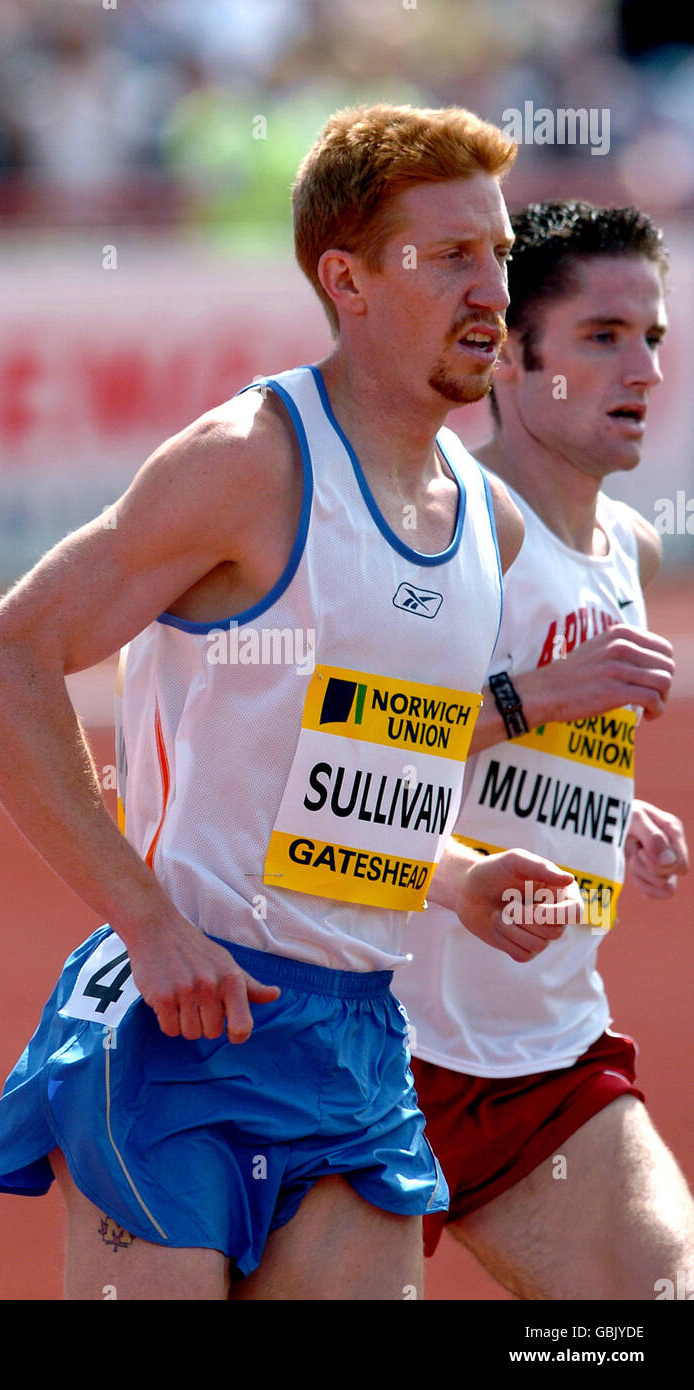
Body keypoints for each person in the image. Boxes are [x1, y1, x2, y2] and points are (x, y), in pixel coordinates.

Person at [0, 105, 581, 1302]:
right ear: (344, 277)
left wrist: (448, 873)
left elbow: (328, 771)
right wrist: (149, 923)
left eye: (497, 252)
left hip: (354, 1046)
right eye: (448, 256)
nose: (491, 286)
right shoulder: (250, 461)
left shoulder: (485, 523)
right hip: (188, 1025)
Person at [397, 201, 694, 1299]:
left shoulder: (630, 549)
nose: (644, 370)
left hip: (540, 1058)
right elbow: (340, 743)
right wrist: (545, 691)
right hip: (373, 1048)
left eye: (651, 337)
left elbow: (516, 763)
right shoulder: (438, 527)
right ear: (510, 358)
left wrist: (608, 813)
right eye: (601, 335)